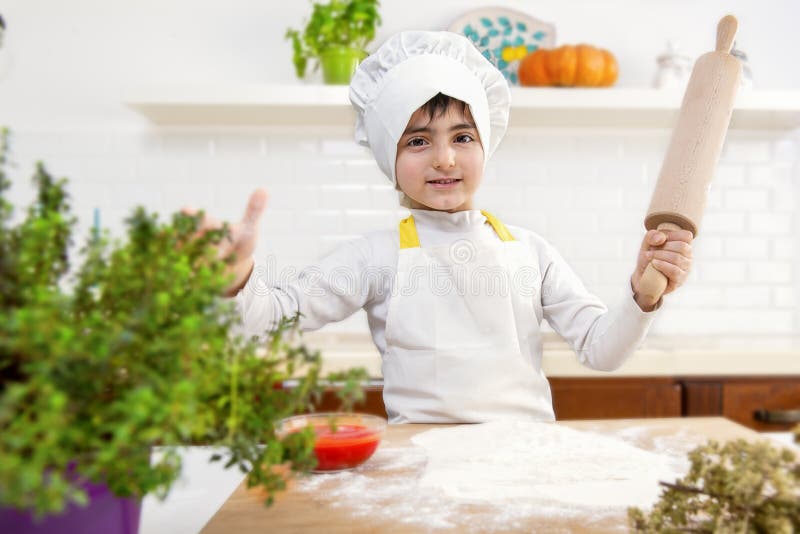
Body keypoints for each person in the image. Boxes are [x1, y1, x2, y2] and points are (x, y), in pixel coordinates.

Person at [189, 31, 693, 424]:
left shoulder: (530, 253)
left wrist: (644, 294)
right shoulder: (374, 258)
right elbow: (271, 320)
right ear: (390, 156)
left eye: (463, 136)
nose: (445, 158)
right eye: (418, 141)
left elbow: (601, 349)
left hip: (524, 459)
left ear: (485, 145)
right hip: (421, 465)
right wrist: (234, 276)